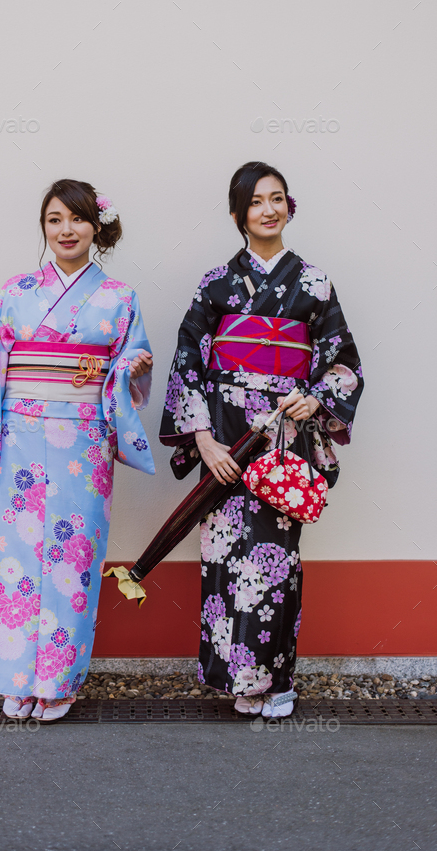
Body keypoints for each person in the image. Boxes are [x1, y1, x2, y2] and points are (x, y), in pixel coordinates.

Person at [0, 179, 154, 721]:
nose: (66, 230)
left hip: (83, 443)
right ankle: (15, 676)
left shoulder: (119, 297)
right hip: (18, 435)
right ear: (44, 226)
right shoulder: (15, 293)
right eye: (55, 219)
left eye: (77, 219)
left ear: (96, 227)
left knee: (72, 560)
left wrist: (129, 367)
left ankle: (58, 680)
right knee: (19, 559)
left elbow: (132, 359)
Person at [159, 162, 363, 718]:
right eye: (256, 202)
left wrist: (317, 397)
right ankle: (234, 677)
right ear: (237, 214)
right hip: (225, 433)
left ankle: (276, 679)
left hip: (285, 435)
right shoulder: (216, 284)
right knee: (224, 550)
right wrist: (201, 438)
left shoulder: (314, 281)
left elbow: (342, 361)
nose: (268, 209)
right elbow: (188, 359)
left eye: (277, 199)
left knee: (276, 555)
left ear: (288, 207)